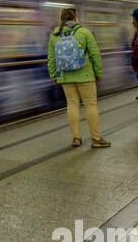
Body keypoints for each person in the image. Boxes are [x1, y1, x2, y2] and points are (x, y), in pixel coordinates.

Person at [47, 8, 110, 149]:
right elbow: (95, 54)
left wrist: (53, 75)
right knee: (90, 104)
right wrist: (98, 73)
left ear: (62, 19)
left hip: (65, 76)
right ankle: (96, 138)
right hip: (85, 75)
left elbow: (51, 59)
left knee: (72, 104)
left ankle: (76, 137)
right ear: (75, 18)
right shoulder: (84, 32)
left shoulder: (55, 35)